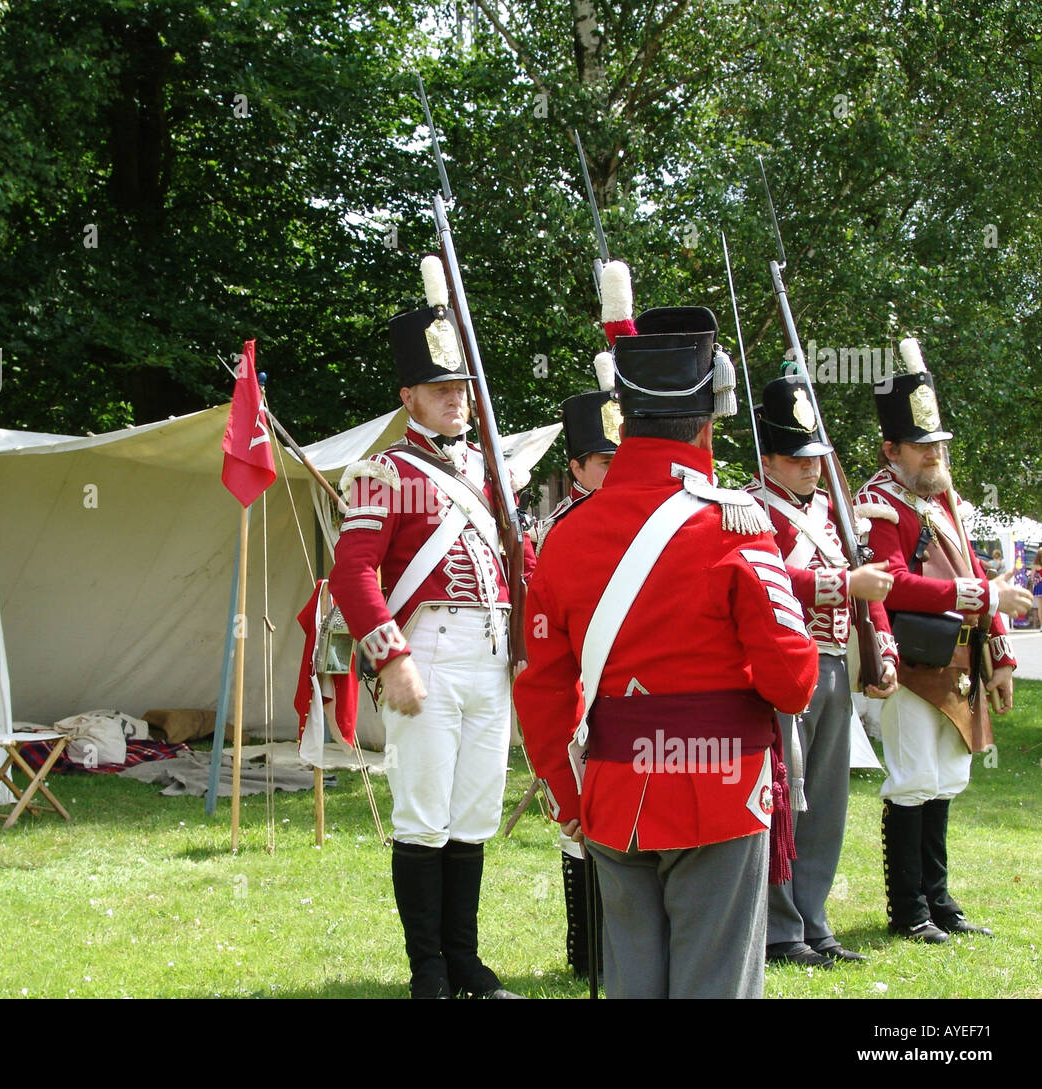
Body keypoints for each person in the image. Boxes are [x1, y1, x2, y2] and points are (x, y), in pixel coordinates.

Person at [513, 295, 819, 998]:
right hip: (721, 790)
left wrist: (568, 796)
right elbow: (793, 682)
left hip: (615, 790)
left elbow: (541, 690)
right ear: (710, 413)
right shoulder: (735, 525)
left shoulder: (565, 537)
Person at [327, 259, 533, 998]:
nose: (456, 401)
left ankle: (466, 960)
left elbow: (521, 565)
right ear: (409, 394)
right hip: (429, 657)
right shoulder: (381, 471)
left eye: (463, 389)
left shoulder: (492, 475)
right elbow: (352, 574)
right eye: (442, 389)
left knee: (473, 813)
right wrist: (392, 659)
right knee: (422, 818)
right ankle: (430, 971)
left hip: (489, 656)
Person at [855, 339, 1030, 943]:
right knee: (913, 777)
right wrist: (982, 600)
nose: (934, 455)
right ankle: (909, 909)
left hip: (959, 656)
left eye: (938, 445)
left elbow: (977, 577)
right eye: (922, 446)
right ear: (891, 449)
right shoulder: (879, 505)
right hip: (911, 659)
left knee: (948, 776)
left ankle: (939, 898)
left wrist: (1000, 655)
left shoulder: (940, 501)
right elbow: (893, 587)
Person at [748, 373, 900, 969]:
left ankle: (814, 917)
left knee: (828, 801)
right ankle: (781, 925)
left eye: (814, 457)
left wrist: (883, 644)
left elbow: (874, 587)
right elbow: (767, 582)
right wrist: (844, 584)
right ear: (767, 459)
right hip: (784, 669)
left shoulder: (832, 512)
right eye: (796, 458)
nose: (810, 469)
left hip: (834, 666)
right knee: (786, 799)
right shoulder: (751, 511)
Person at [530, 378, 622, 977]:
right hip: (581, 691)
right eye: (604, 460)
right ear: (577, 466)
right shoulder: (562, 530)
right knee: (579, 820)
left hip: (632, 691)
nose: (616, 471)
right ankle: (586, 955)